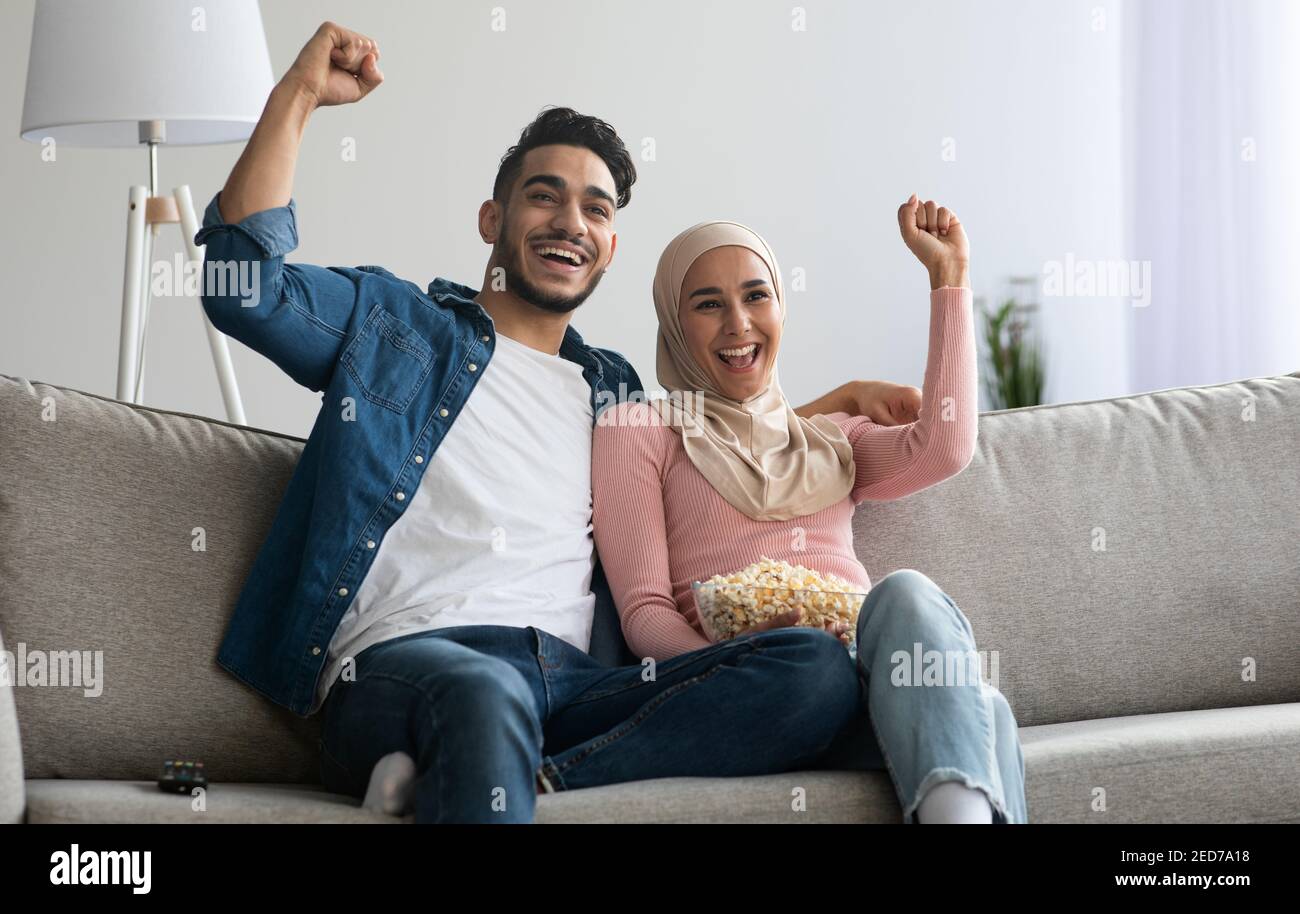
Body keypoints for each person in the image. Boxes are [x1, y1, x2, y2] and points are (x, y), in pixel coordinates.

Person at [197, 21, 919, 823]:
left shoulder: (617, 394)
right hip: (406, 666)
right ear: (490, 219)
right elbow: (241, 288)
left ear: (608, 249)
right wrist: (297, 95)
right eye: (545, 195)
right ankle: (466, 756)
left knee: (813, 671)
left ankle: (519, 779)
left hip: (574, 685)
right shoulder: (394, 329)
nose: (571, 221)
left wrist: (835, 403)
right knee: (484, 693)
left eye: (595, 209)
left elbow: (718, 447)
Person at [590, 201, 1029, 823]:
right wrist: (732, 666)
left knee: (910, 599)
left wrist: (948, 278)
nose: (738, 324)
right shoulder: (640, 430)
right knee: (987, 716)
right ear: (673, 322)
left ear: (780, 307)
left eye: (756, 296)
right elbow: (644, 614)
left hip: (878, 684)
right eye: (708, 304)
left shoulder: (829, 441)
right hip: (771, 687)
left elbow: (947, 446)